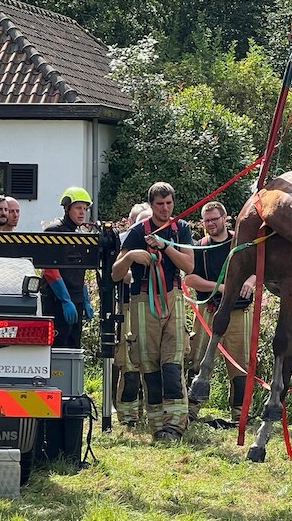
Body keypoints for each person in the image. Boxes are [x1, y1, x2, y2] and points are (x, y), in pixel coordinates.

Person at [112, 182, 194, 442]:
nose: (165, 208)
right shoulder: (138, 231)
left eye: (169, 203)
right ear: (152, 204)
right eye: (160, 204)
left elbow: (189, 266)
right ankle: (158, 424)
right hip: (142, 300)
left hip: (173, 298)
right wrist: (131, 256)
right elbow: (116, 272)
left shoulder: (181, 229)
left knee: (172, 363)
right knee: (149, 364)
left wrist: (165, 247)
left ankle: (176, 424)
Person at [184, 201, 255, 425]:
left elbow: (259, 268)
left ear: (225, 218)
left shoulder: (241, 244)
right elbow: (189, 278)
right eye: (207, 220)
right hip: (209, 311)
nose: (211, 223)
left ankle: (239, 415)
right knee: (197, 359)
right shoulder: (201, 246)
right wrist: (221, 287)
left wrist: (251, 281)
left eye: (215, 218)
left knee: (240, 364)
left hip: (238, 312)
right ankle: (190, 412)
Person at [40, 187, 96, 349]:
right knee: (57, 348)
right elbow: (50, 270)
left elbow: (80, 270)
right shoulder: (53, 232)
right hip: (57, 302)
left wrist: (85, 300)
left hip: (76, 300)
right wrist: (65, 300)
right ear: (66, 207)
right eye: (78, 207)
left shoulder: (80, 235)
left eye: (85, 209)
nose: (82, 212)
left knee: (74, 348)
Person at [114, 203, 151, 428]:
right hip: (127, 306)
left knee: (151, 361)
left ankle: (148, 411)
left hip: (153, 307)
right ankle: (128, 416)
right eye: (140, 223)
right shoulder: (121, 243)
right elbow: (120, 274)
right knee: (128, 363)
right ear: (131, 223)